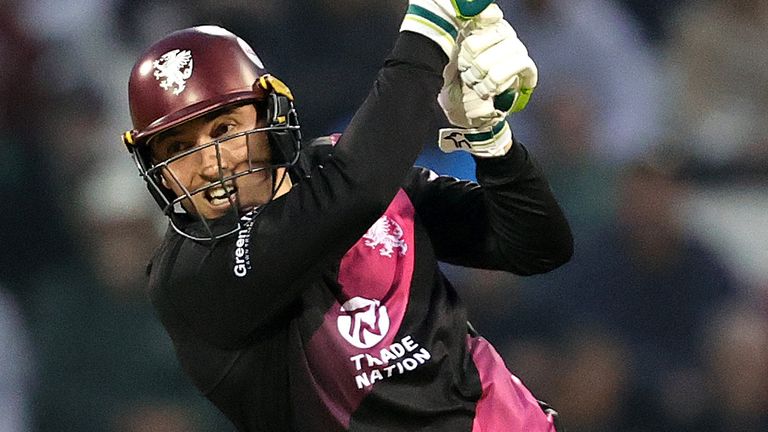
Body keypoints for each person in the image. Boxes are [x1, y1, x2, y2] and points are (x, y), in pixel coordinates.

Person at [120, 1, 572, 430]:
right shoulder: (187, 278)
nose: (208, 163)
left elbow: (537, 245)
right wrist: (431, 24)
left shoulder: (342, 168)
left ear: (271, 116)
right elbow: (353, 191)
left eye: (224, 129)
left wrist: (492, 142)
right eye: (177, 149)